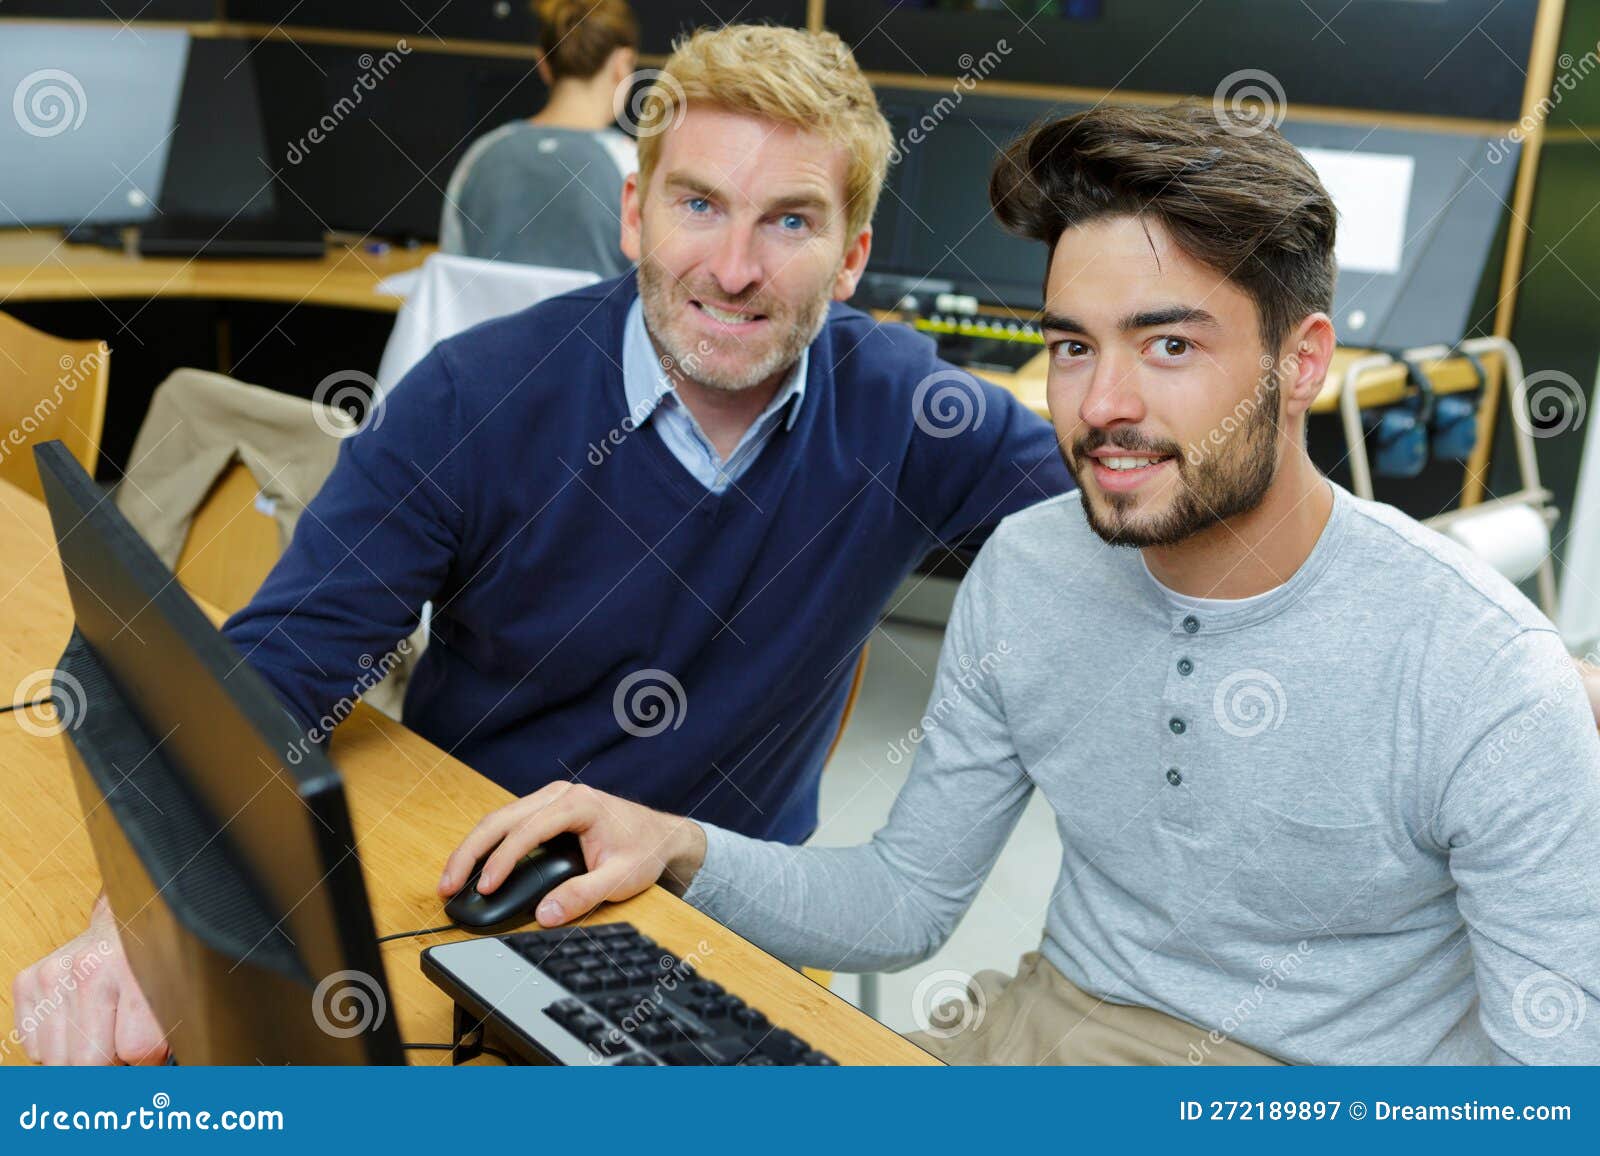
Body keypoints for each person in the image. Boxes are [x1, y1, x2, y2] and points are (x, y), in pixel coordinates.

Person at [438, 103, 1600, 1066]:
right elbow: (903, 902)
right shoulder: (1032, 568)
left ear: (1299, 362)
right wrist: (671, 843)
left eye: (1170, 346)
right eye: (1072, 345)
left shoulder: (1477, 667)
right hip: (1045, 1039)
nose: (1100, 405)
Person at [12, 25, 1072, 1064]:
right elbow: (275, 673)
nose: (733, 267)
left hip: (717, 917)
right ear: (632, 213)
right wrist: (139, 923)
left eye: (789, 222)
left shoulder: (913, 413)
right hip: (469, 876)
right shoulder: (475, 393)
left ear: (851, 259)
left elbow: (1152, 507)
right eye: (696, 204)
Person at [438, 0, 640, 274]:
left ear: (542, 63)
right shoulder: (632, 164)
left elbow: (451, 271)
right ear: (622, 63)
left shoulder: (480, 155)